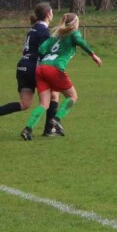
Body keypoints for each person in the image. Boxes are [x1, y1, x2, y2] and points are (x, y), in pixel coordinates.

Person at [22, 12, 102, 140]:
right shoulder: (74, 33)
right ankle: (56, 120)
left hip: (41, 68)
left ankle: (28, 129)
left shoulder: (56, 35)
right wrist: (94, 56)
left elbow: (42, 49)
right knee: (73, 96)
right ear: (75, 23)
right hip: (54, 69)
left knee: (44, 104)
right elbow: (80, 41)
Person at [0, 3, 62, 137]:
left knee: (24, 103)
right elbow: (45, 53)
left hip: (22, 66)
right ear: (48, 14)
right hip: (33, 67)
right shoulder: (43, 31)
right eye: (51, 12)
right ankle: (49, 130)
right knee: (54, 94)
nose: (52, 14)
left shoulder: (33, 28)